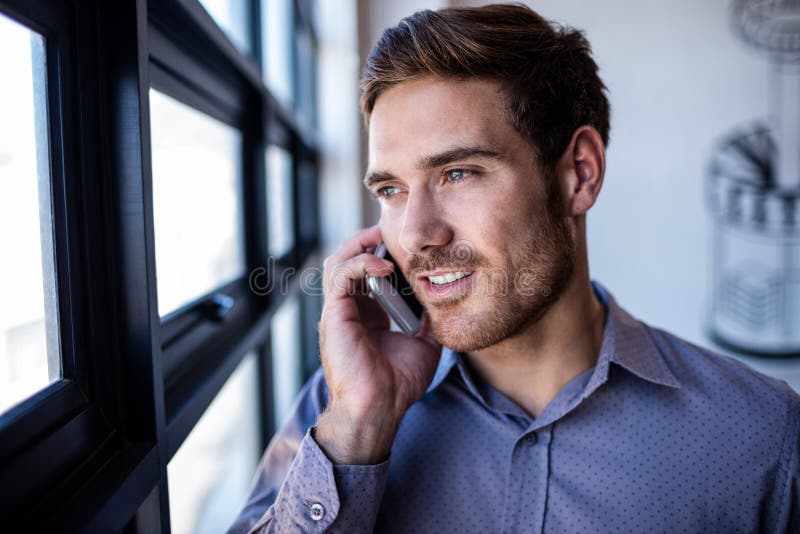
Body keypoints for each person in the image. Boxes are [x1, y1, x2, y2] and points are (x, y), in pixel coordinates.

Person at [229, 4, 799, 533]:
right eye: (392, 189)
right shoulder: (340, 406)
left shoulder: (764, 439)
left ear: (579, 172)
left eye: (458, 173)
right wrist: (358, 429)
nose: (416, 236)